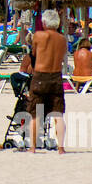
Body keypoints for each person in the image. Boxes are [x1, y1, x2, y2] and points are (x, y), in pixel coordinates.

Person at [27, 9, 67, 154]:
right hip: (56, 76)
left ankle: (32, 147)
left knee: (35, 114)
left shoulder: (38, 35)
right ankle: (61, 148)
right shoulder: (62, 39)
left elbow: (34, 53)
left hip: (40, 76)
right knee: (58, 114)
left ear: (44, 22)